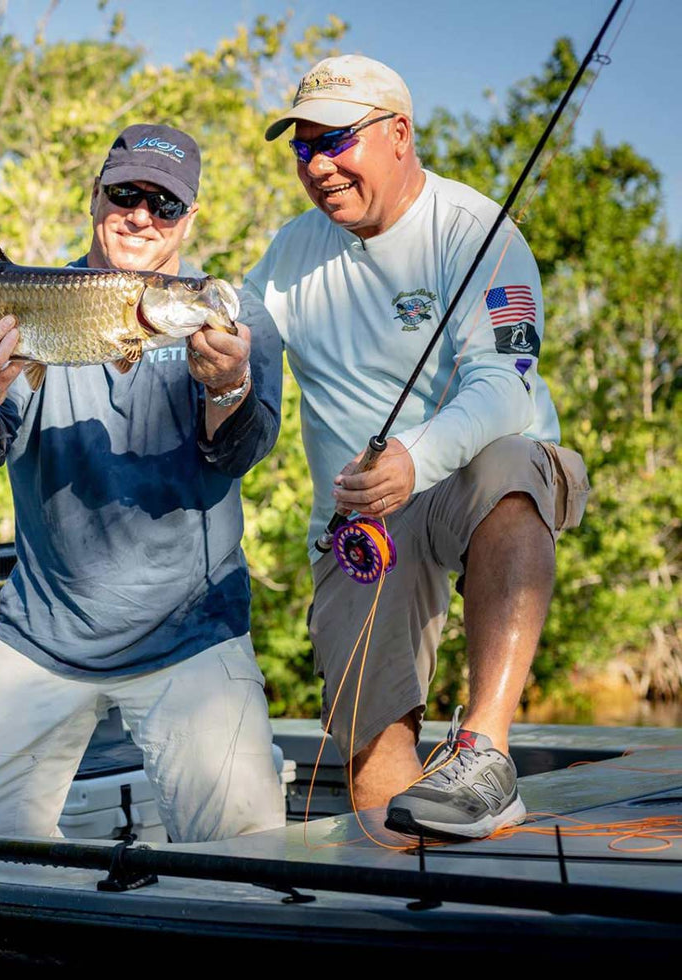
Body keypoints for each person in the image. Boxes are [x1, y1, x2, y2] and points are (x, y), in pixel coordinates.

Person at [245, 56, 589, 839]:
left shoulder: (478, 232)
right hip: (362, 523)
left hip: (471, 478)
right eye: (302, 148)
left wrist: (411, 457)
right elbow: (231, 342)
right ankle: (408, 905)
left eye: (336, 139)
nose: (318, 166)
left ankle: (485, 752)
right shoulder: (287, 256)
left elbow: (506, 387)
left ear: (399, 134)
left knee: (509, 461)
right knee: (373, 769)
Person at [0, 123, 286, 843]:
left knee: (247, 849)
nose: (141, 215)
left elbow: (240, 453)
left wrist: (227, 387)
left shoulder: (233, 317)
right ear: (94, 196)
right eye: (126, 193)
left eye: (164, 204)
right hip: (45, 632)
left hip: (193, 632)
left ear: (190, 219)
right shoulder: (31, 303)